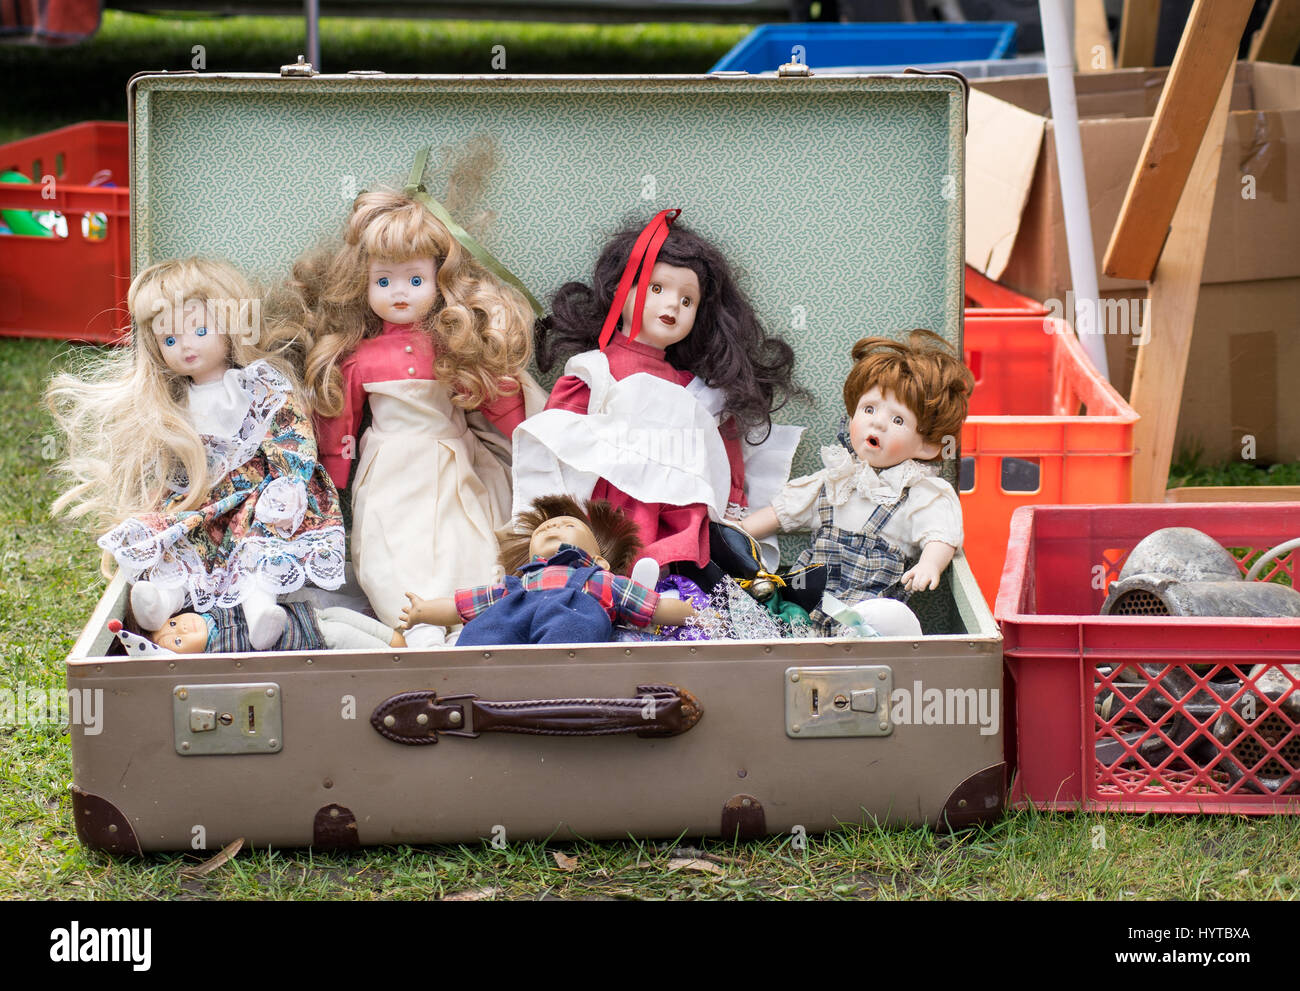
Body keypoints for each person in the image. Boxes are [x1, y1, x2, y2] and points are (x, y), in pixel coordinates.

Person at [287, 189, 544, 646]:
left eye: (415, 279)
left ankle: (467, 616)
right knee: (390, 542)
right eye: (383, 281)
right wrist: (333, 479)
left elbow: (495, 399)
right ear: (364, 285)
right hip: (389, 467)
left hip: (451, 460)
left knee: (463, 537)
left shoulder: (454, 347)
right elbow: (341, 419)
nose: (399, 292)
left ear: (440, 282)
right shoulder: (359, 358)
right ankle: (410, 617)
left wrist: (533, 436)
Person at [47, 257, 346, 650]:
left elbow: (291, 429)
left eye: (200, 330)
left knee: (257, 540)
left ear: (230, 325)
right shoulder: (172, 402)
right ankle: (162, 600)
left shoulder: (256, 384)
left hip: (258, 494)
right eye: (169, 340)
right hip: (202, 496)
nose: (186, 346)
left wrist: (289, 479)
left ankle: (261, 610)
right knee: (178, 537)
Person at [514, 210, 804, 582]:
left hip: (672, 509)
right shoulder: (595, 370)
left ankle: (660, 584)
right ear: (621, 290)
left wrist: (734, 504)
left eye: (688, 301)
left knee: (682, 556)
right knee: (597, 551)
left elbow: (719, 445)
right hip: (606, 506)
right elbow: (558, 438)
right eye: (657, 289)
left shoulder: (693, 390)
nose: (672, 306)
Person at [741, 330, 973, 634]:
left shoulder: (919, 492)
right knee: (768, 613)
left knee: (883, 618)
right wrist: (735, 533)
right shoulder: (835, 480)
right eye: (869, 409)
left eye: (898, 420)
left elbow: (940, 534)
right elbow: (781, 513)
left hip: (864, 612)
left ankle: (865, 636)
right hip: (807, 604)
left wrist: (930, 564)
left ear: (926, 447)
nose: (877, 422)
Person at [400, 495, 695, 646]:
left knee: (568, 628)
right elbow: (461, 606)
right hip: (509, 623)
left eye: (568, 525)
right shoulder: (514, 586)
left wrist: (691, 613)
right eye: (543, 529)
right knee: (484, 631)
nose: (552, 526)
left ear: (600, 560)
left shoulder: (602, 581)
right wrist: (423, 611)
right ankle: (475, 666)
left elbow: (652, 607)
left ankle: (557, 667)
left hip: (568, 630)